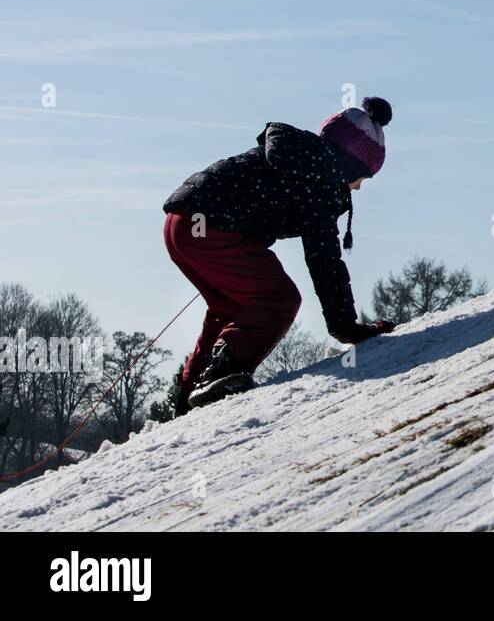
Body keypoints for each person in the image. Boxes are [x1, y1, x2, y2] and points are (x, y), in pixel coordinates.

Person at [162, 97, 397, 412]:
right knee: (279, 299)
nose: (357, 188)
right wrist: (346, 326)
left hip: (181, 223)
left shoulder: (301, 157)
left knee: (230, 307)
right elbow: (324, 259)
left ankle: (186, 396)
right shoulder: (323, 179)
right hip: (208, 228)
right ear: (352, 164)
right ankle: (219, 378)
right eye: (363, 177)